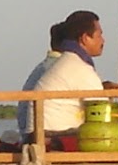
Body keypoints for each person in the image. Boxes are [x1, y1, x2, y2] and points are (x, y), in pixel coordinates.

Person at [16, 11, 106, 140]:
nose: (103, 40)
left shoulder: (67, 60)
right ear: (85, 38)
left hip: (36, 135)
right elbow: (102, 113)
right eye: (99, 35)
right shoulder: (80, 68)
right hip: (50, 137)